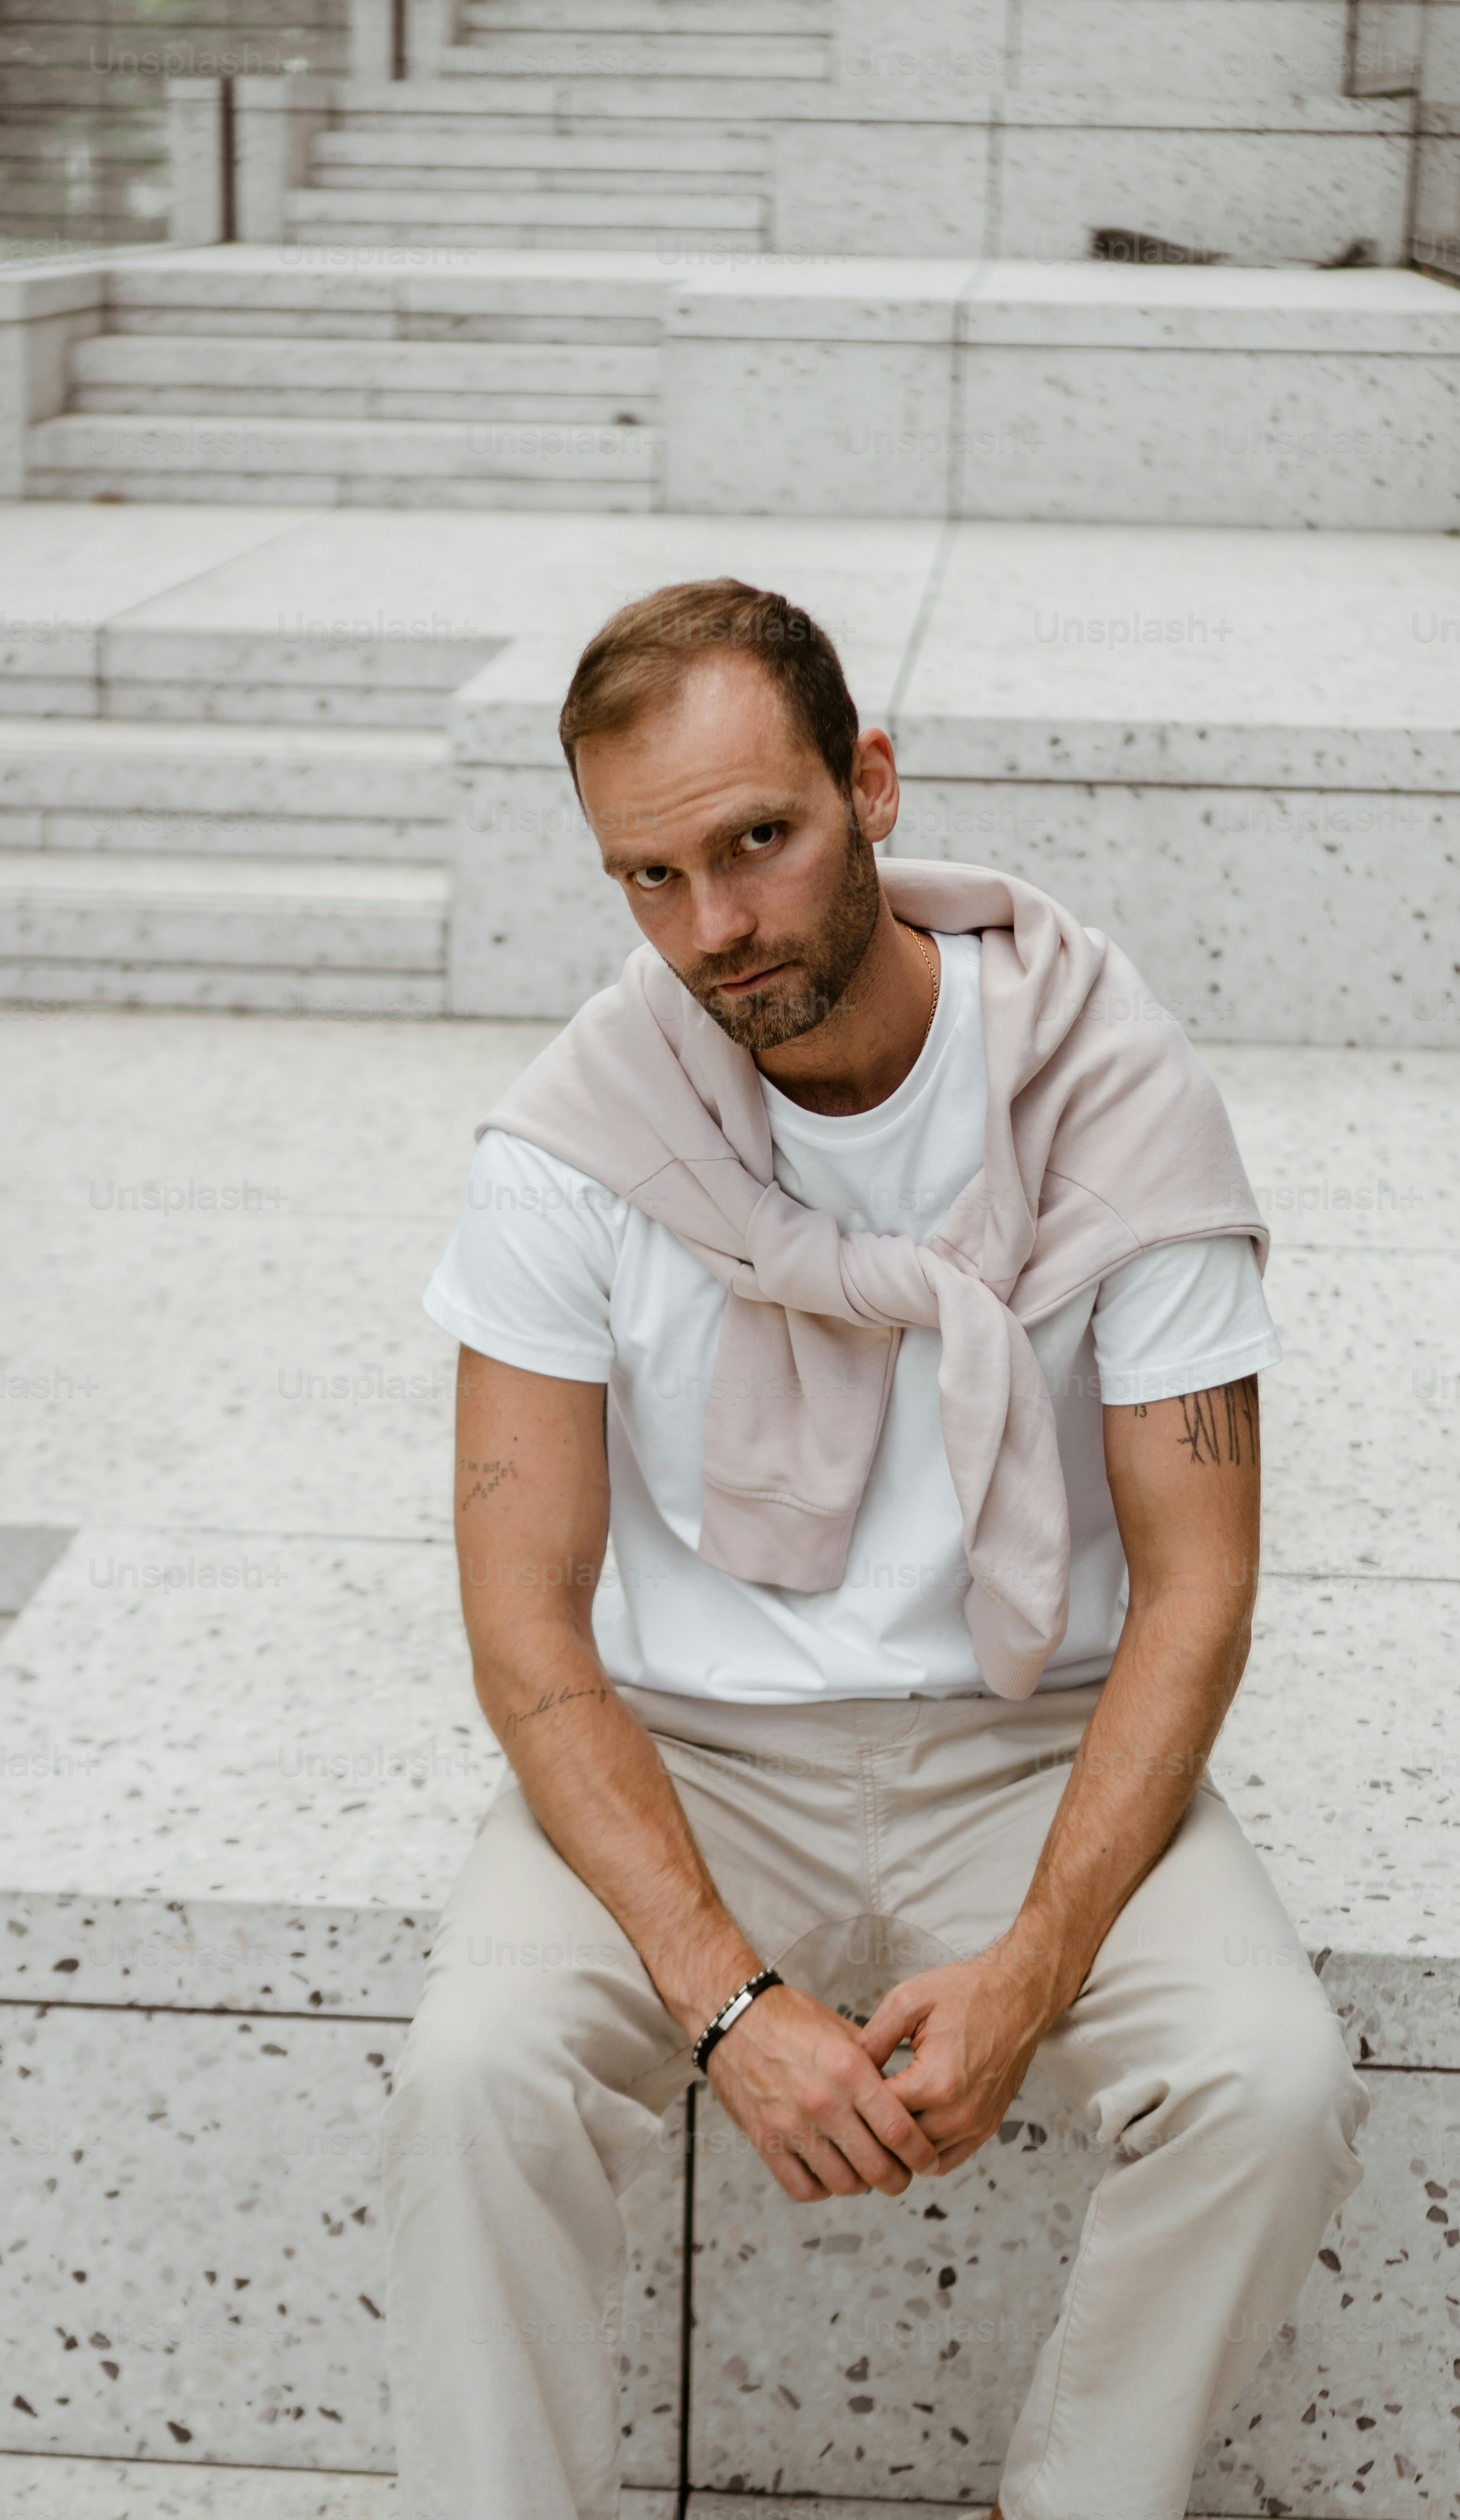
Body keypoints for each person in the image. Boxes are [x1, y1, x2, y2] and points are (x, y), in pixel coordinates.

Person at [385, 577, 1366, 2520]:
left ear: (874, 784)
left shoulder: (1112, 1092)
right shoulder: (571, 1144)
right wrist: (729, 2002)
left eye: (761, 839)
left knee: (1268, 2080)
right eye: (650, 878)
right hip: (691, 1754)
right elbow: (526, 1624)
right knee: (473, 2078)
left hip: (1028, 1741)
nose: (716, 931)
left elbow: (1199, 1582)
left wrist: (1035, 1965)